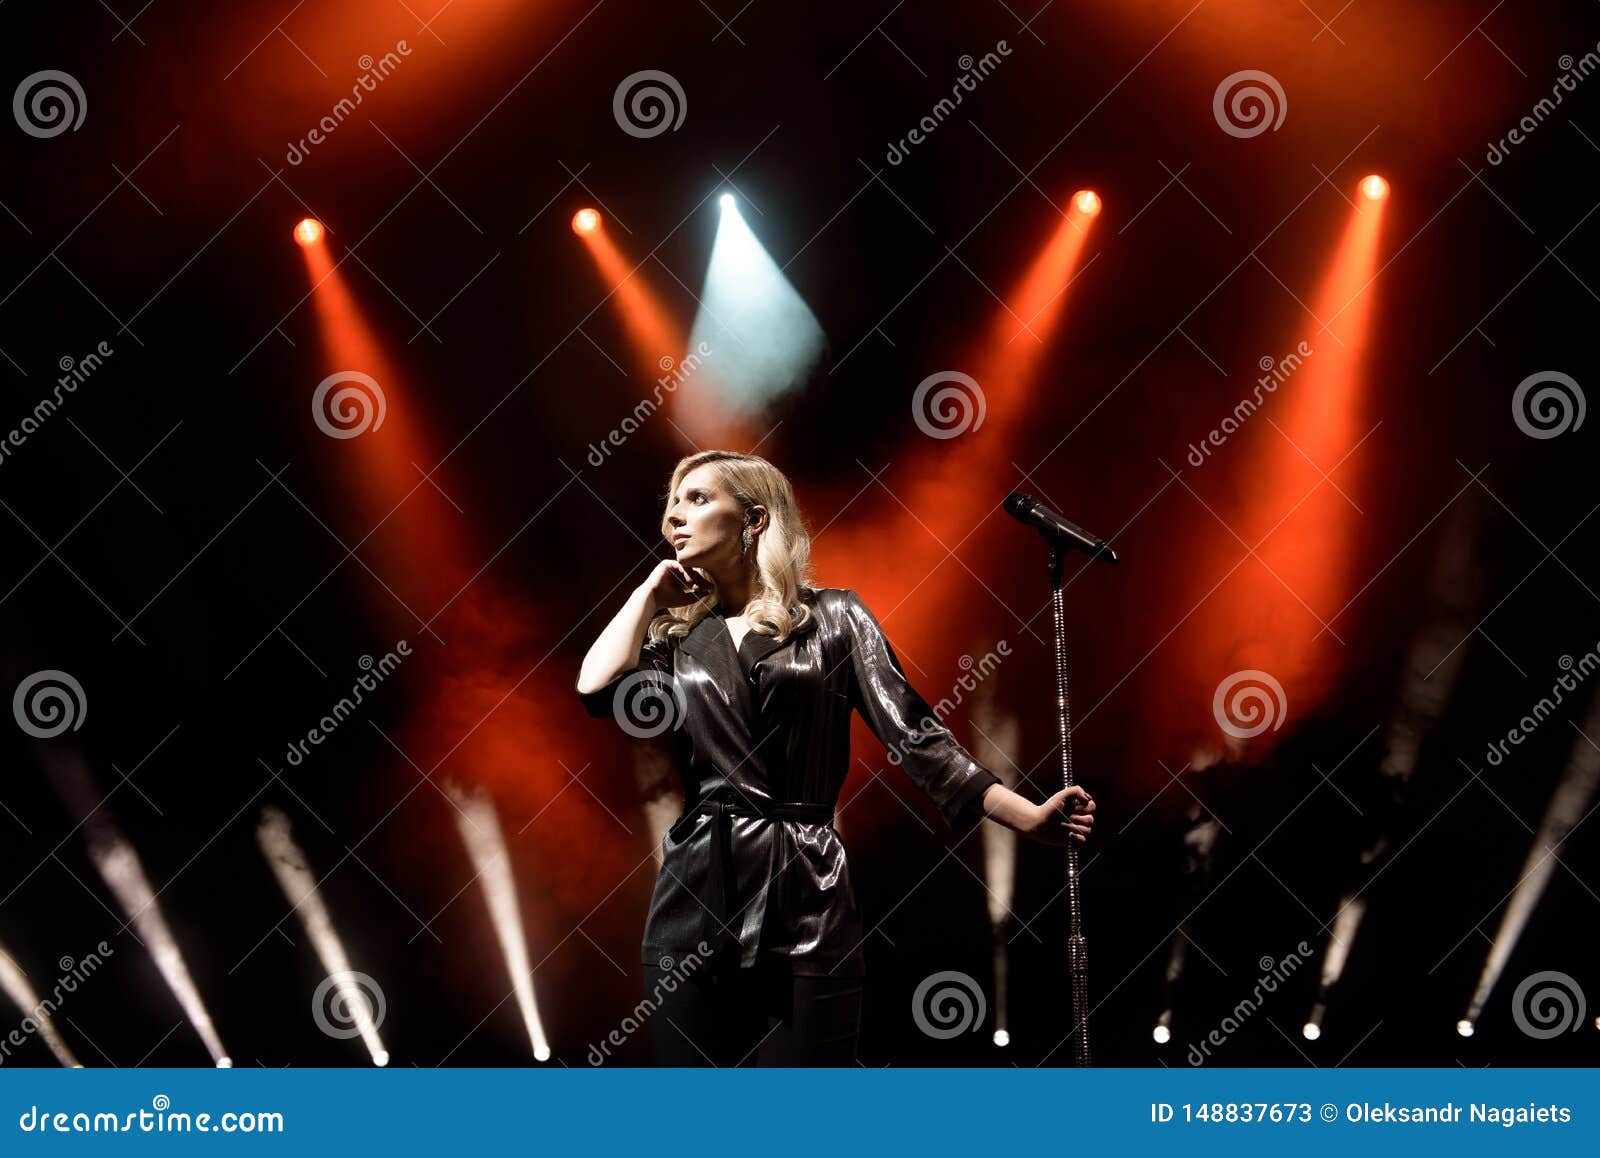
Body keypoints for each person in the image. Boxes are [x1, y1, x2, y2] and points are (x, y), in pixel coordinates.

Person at [575, 450, 1095, 1065]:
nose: (674, 519)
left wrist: (1026, 815)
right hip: (693, 899)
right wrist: (646, 595)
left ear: (755, 519)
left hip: (808, 892)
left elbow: (916, 736)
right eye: (671, 505)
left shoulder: (835, 618)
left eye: (697, 499)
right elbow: (598, 690)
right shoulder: (678, 639)